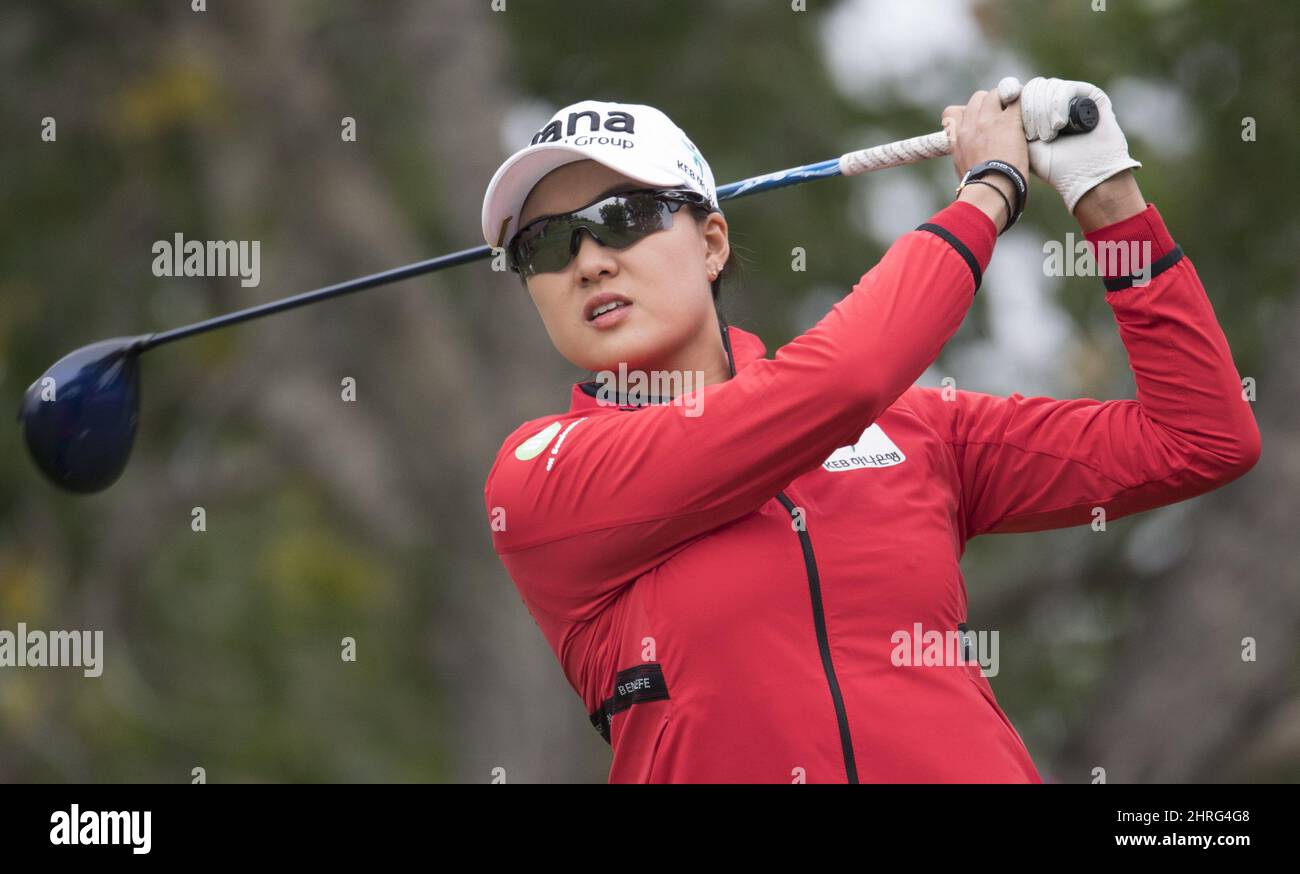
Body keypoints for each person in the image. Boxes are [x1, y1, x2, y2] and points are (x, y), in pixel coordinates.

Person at [478, 84, 1261, 783]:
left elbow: (1199, 438)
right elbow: (841, 379)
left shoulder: (915, 428)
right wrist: (990, 190)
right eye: (544, 244)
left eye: (620, 217)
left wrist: (1106, 197)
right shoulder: (539, 479)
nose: (587, 262)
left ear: (712, 242)